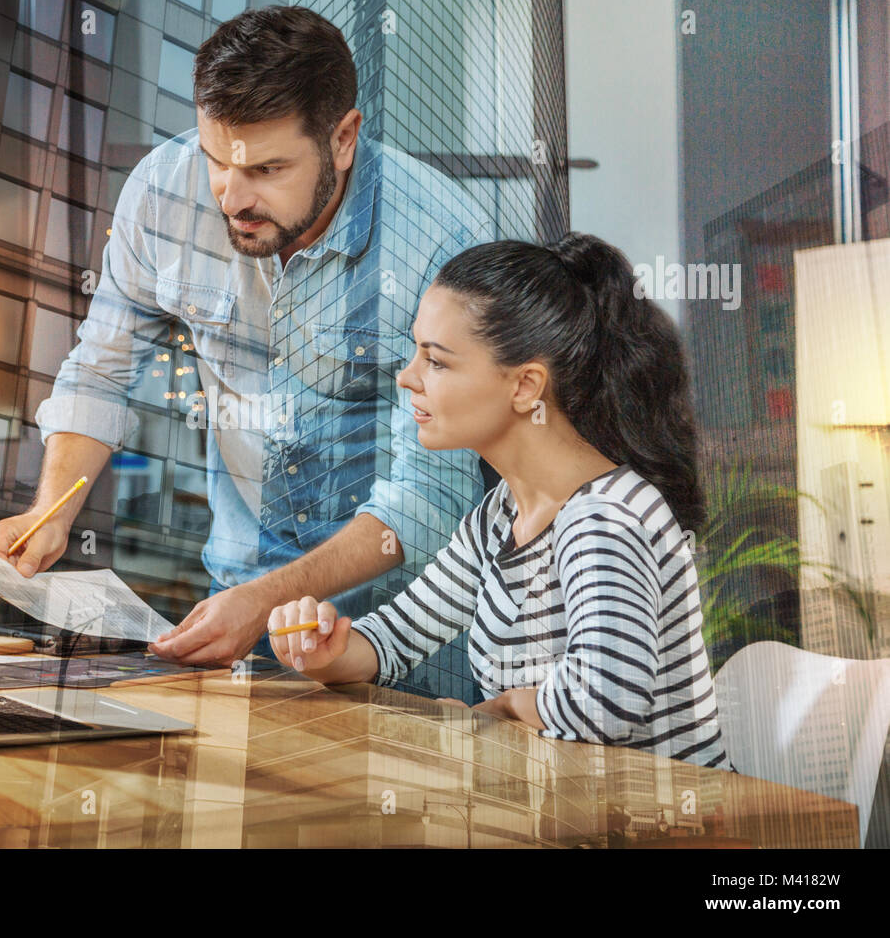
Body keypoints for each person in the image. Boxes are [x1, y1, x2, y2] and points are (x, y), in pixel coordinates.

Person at [0, 6, 490, 689]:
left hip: (399, 636)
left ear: (343, 138)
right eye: (218, 161)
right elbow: (100, 373)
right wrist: (51, 512)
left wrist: (268, 602)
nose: (231, 197)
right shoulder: (163, 194)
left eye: (267, 169)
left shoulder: (441, 240)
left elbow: (430, 495)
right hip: (235, 614)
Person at [267, 233, 731, 768]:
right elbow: (395, 638)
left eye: (436, 362)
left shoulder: (603, 519)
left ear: (526, 386)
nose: (406, 377)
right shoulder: (500, 516)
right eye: (415, 352)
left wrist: (498, 710)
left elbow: (607, 700)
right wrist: (324, 649)